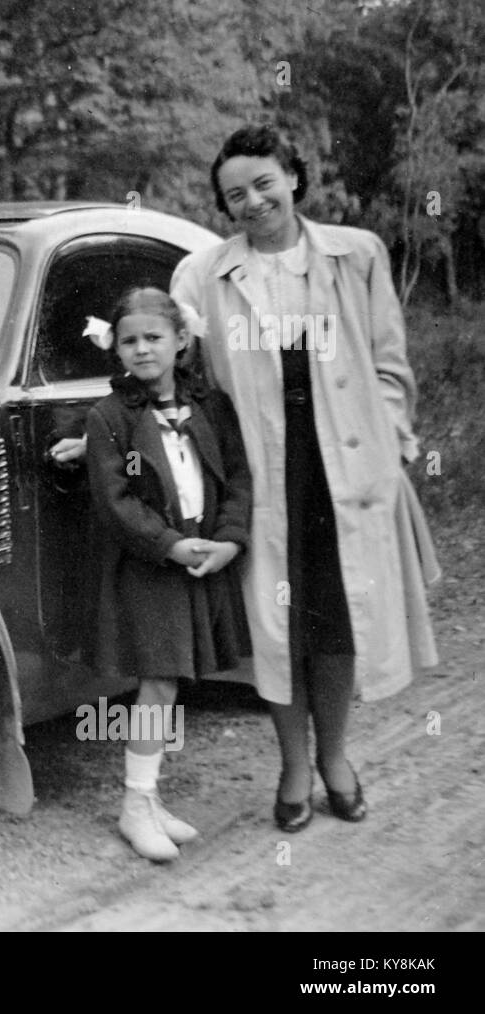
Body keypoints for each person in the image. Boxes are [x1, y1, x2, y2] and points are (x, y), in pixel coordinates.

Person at [171, 124, 440, 833]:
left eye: (264, 183)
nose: (253, 201)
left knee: (338, 618)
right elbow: (180, 376)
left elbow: (390, 364)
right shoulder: (204, 276)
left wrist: (391, 448)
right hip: (261, 475)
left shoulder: (356, 255)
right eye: (236, 194)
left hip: (346, 469)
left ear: (294, 177)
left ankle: (337, 761)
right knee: (280, 624)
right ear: (224, 206)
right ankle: (294, 764)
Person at [83, 287, 252, 862]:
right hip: (151, 567)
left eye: (154, 337)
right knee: (157, 681)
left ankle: (148, 799)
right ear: (116, 349)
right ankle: (135, 805)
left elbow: (237, 475)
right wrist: (171, 544)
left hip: (200, 559)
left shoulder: (211, 405)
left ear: (181, 341)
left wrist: (229, 540)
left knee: (170, 681)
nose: (141, 350)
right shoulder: (109, 416)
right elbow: (116, 501)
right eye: (128, 341)